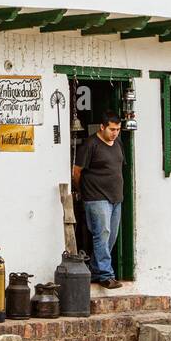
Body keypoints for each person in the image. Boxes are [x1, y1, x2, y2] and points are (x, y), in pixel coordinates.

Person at [72, 111, 124, 289]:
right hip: (95, 196)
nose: (115, 133)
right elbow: (76, 171)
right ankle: (106, 275)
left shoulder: (118, 143)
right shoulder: (90, 144)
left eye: (118, 129)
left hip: (116, 197)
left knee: (111, 236)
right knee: (102, 233)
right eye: (111, 129)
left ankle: (95, 269)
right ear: (102, 127)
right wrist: (82, 191)